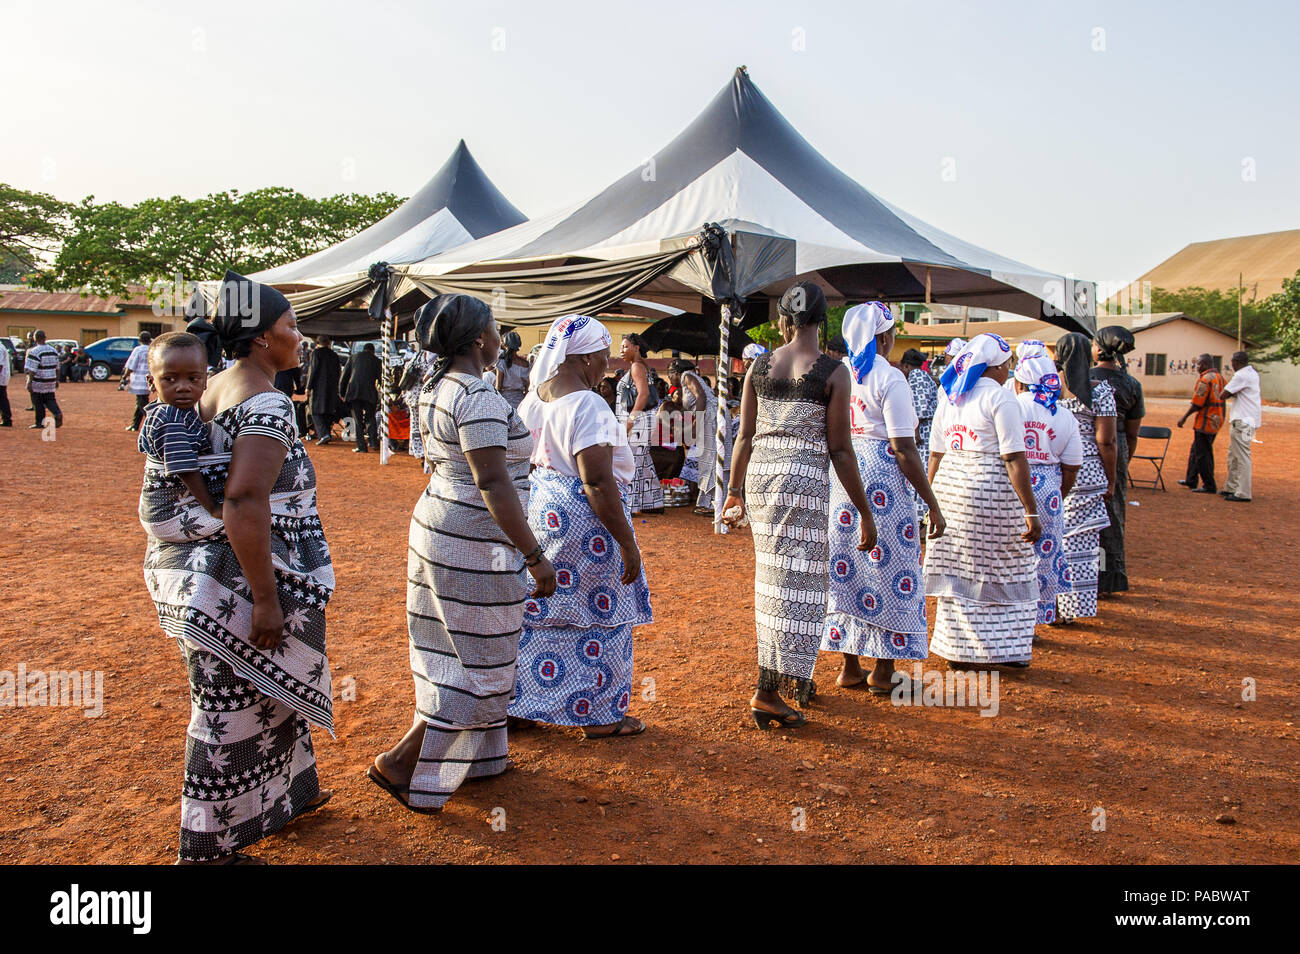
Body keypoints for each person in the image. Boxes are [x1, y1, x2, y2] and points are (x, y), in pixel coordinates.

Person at [147, 271, 334, 864]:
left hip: (201, 574)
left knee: (271, 694)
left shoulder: (213, 387)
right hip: (232, 581)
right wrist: (265, 598)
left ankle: (290, 795)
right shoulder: (267, 403)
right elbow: (243, 501)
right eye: (291, 326)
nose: (299, 337)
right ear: (261, 339)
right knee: (226, 708)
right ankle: (206, 851)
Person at [368, 294, 554, 813]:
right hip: (473, 540)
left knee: (450, 648)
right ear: (479, 340)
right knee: (479, 658)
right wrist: (534, 554)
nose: (501, 338)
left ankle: (475, 759)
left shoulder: (439, 388)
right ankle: (402, 763)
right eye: (496, 329)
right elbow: (493, 481)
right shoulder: (476, 397)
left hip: (441, 526)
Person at [724, 282, 875, 727]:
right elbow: (841, 450)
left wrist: (734, 490)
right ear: (823, 321)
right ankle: (770, 690)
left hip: (761, 480)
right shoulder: (834, 372)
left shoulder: (759, 366)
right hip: (803, 482)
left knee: (771, 585)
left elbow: (744, 436)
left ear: (785, 321)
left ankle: (786, 682)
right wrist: (865, 511)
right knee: (802, 591)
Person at [508, 314, 653, 738]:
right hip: (587, 522)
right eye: (604, 357)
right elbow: (597, 481)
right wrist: (627, 542)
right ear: (585, 357)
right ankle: (602, 716)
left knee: (540, 609)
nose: (607, 366)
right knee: (604, 613)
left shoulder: (532, 399)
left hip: (542, 515)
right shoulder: (588, 405)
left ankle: (523, 704)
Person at [821, 303, 945, 693]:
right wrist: (932, 502)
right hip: (882, 483)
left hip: (842, 477)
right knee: (891, 569)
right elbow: (904, 448)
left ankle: (850, 666)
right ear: (884, 338)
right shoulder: (891, 379)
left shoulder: (839, 375)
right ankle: (884, 671)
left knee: (847, 567)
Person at [924, 333, 1041, 668]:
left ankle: (958, 651)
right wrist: (1031, 510)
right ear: (998, 365)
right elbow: (1014, 458)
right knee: (1005, 566)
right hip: (990, 494)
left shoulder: (950, 394)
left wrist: (932, 502)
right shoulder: (1002, 399)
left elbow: (935, 453)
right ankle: (1002, 651)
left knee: (960, 568)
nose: (1010, 369)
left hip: (950, 489)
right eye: (1008, 363)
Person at [1012, 355, 1082, 626]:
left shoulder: (1010, 407)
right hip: (1050, 488)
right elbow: (1072, 465)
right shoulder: (1064, 414)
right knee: (1043, 556)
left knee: (1010, 553)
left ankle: (1010, 619)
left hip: (1012, 486)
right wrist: (1057, 495)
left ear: (1018, 383)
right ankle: (1034, 623)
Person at [1055, 333, 1117, 623]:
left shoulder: (1046, 387)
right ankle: (1072, 609)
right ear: (1089, 356)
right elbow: (1107, 441)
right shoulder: (1100, 391)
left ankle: (1049, 606)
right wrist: (1112, 480)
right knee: (1080, 545)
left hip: (1052, 470)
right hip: (1087, 472)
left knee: (1052, 539)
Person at [137, 333, 223, 520]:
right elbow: (184, 468)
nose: (183, 387)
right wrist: (213, 507)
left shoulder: (182, 412)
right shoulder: (170, 417)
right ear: (151, 382)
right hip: (171, 512)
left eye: (193, 379)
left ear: (205, 381)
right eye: (170, 379)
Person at [1090, 326, 1145, 594]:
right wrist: (1122, 462)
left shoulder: (1085, 379)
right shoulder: (1132, 384)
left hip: (1087, 445)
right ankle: (1109, 577)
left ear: (1098, 348)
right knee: (1112, 512)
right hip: (1119, 446)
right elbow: (1132, 434)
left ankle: (1083, 574)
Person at [616, 333, 664, 515]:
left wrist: (630, 420)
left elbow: (643, 394)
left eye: (625, 346)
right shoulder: (643, 366)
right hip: (645, 418)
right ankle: (653, 502)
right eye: (621, 347)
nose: (621, 351)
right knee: (643, 460)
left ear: (636, 348)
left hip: (639, 419)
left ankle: (631, 505)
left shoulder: (636, 366)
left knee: (633, 460)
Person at [667, 358, 722, 515]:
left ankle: (712, 504)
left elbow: (701, 398)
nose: (668, 378)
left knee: (710, 459)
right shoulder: (687, 380)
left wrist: (696, 423)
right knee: (708, 460)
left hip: (710, 418)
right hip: (709, 417)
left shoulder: (686, 376)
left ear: (675, 372)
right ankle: (709, 501)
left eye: (669, 374)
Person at [1177, 354, 1226, 493]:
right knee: (1196, 450)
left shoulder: (1205, 379)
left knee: (1203, 454)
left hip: (1206, 421)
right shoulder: (1221, 378)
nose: (1196, 367)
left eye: (1198, 364)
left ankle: (1209, 485)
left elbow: (1197, 403)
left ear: (1204, 364)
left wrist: (1184, 417)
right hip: (1216, 420)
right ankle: (1191, 479)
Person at [900, 348, 938, 525]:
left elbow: (919, 408)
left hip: (922, 432)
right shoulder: (923, 375)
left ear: (906, 365)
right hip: (924, 430)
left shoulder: (917, 376)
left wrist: (913, 434)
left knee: (920, 474)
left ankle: (922, 519)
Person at [1221, 351, 1260, 503]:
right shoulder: (1252, 373)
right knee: (1234, 455)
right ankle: (1231, 487)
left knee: (1242, 456)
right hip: (1249, 420)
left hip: (1242, 421)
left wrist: (1228, 392)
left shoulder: (1241, 375)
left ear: (1236, 362)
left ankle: (1243, 492)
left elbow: (1223, 394)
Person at [339, 343, 381, 453]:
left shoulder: (353, 358)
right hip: (369, 392)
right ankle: (373, 442)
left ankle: (361, 446)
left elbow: (344, 377)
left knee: (357, 420)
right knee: (370, 417)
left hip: (354, 392)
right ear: (373, 351)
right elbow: (381, 379)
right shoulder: (376, 360)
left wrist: (342, 393)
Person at [397, 346, 436, 464]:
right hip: (425, 397)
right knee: (427, 427)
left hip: (412, 396)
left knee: (416, 426)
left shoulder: (417, 355)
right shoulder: (435, 356)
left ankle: (420, 454)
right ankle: (426, 455)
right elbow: (428, 377)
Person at [305, 335, 342, 445]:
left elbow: (313, 370)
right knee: (328, 411)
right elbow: (338, 371)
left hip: (318, 387)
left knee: (315, 411)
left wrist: (308, 387)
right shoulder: (334, 355)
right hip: (331, 388)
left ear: (317, 342)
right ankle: (327, 433)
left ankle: (323, 434)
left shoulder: (316, 353)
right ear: (329, 343)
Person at [23, 329, 62, 429]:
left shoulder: (35, 351)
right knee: (50, 399)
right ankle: (57, 413)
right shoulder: (53, 350)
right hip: (51, 379)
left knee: (37, 401)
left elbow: (32, 369)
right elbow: (57, 367)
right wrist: (56, 380)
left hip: (39, 380)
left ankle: (39, 422)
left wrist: (29, 381)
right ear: (45, 338)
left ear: (35, 338)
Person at [123, 331, 154, 431]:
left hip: (139, 381)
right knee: (140, 402)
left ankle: (152, 423)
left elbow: (131, 366)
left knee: (142, 404)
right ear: (150, 340)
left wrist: (124, 376)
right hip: (149, 380)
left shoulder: (138, 350)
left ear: (139, 340)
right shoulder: (152, 350)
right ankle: (135, 425)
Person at [495, 330, 531, 409]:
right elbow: (527, 389)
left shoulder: (502, 362)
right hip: (520, 402)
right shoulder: (526, 364)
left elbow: (498, 387)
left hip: (504, 402)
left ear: (504, 344)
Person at [0, 342, 11, 426]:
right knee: (2, 398)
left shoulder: (0, 348)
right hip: (2, 377)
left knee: (2, 398)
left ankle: (7, 419)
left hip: (1, 377)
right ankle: (6, 418)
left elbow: (0, 366)